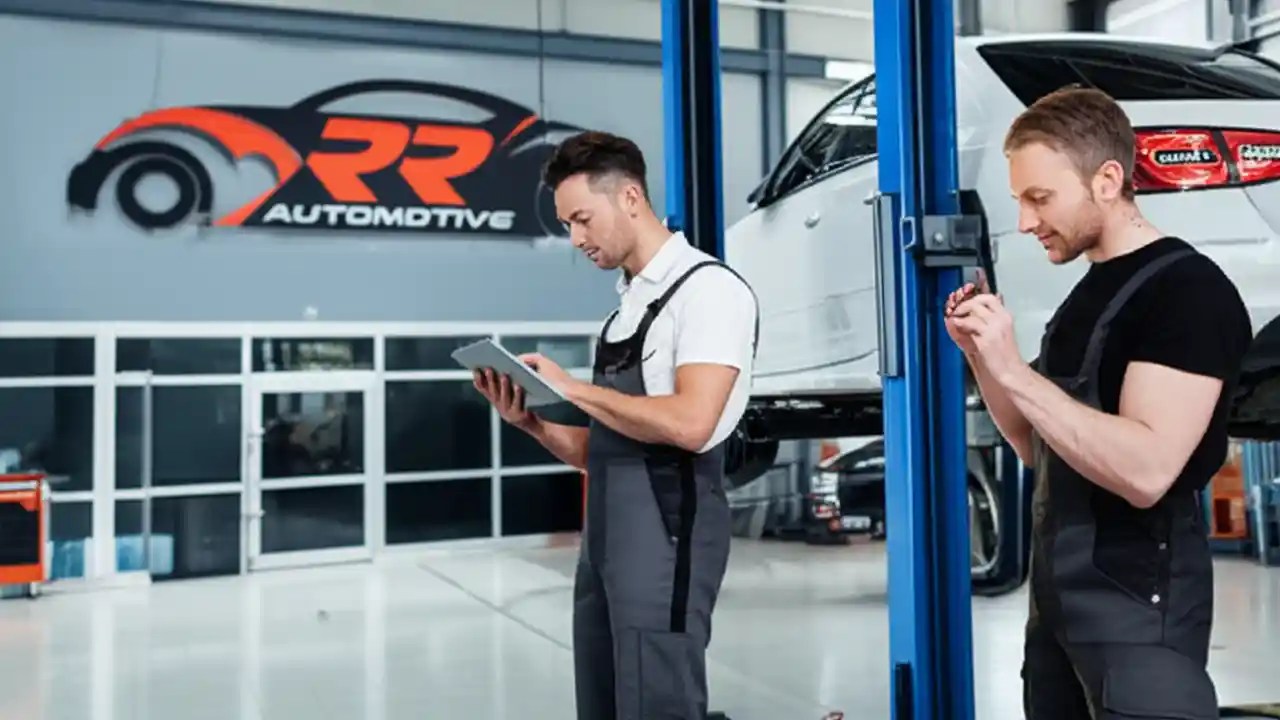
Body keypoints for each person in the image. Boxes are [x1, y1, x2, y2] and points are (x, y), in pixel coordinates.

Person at [945, 86, 1251, 719]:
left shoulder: (1187, 293)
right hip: (1059, 611)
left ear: (1108, 180)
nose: (1026, 221)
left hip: (1141, 613)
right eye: (1019, 201)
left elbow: (1145, 472)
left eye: (1041, 198)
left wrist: (1014, 370)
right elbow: (1040, 447)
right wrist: (982, 357)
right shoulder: (1083, 299)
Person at [471, 130, 758, 720]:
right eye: (567, 225)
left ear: (630, 198)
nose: (576, 238)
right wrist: (530, 422)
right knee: (603, 704)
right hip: (604, 548)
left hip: (670, 540)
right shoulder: (623, 311)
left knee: (659, 704)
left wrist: (574, 388)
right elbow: (603, 451)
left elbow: (692, 422)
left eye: (582, 219)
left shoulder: (707, 292)